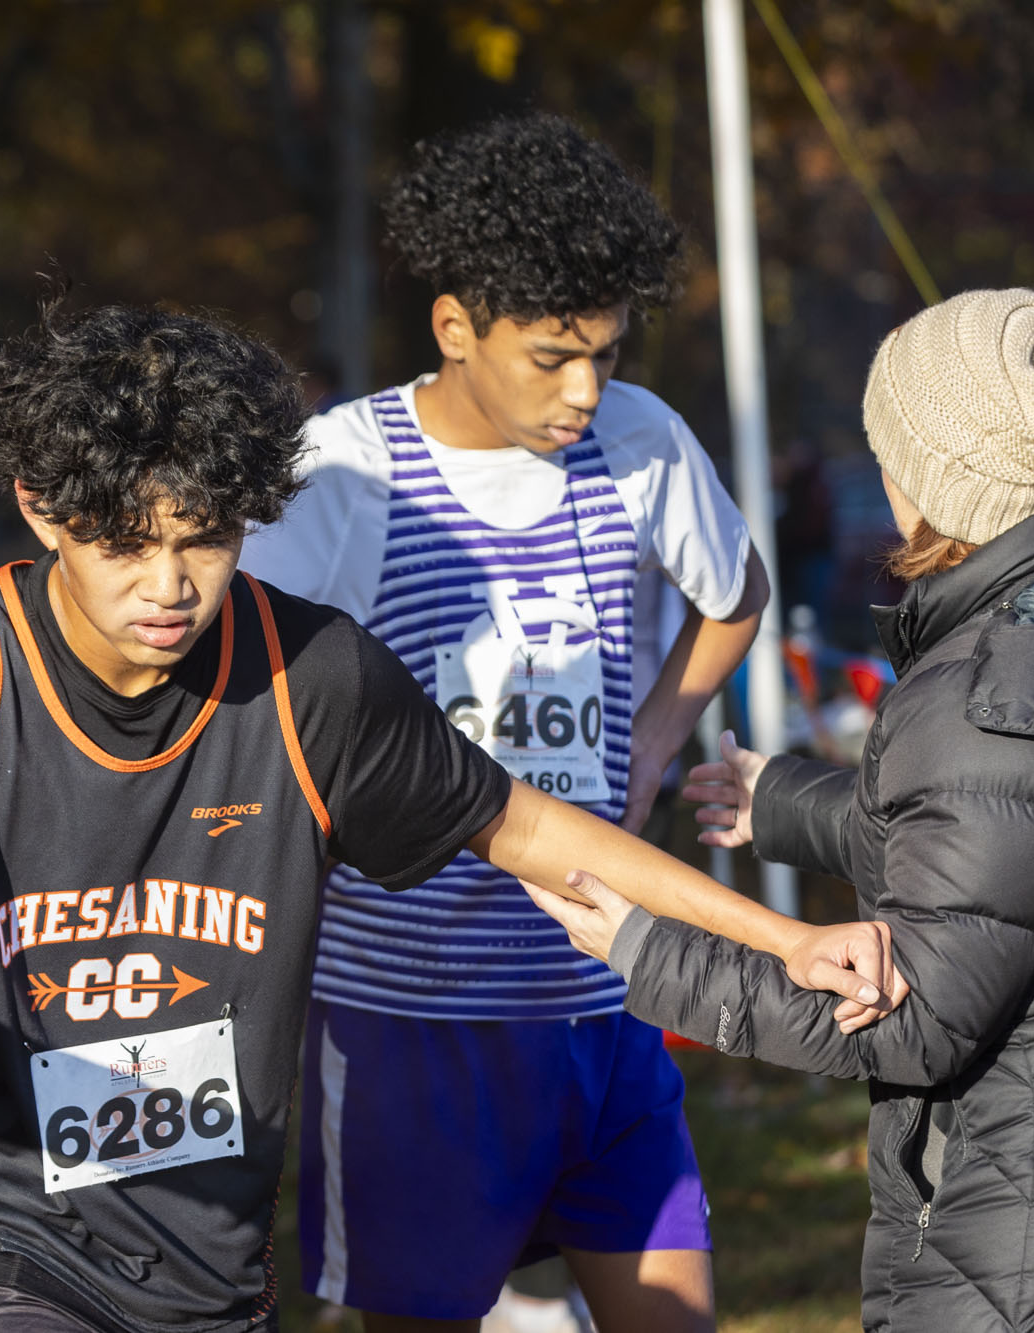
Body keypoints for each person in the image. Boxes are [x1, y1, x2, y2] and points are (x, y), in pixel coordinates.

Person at [0, 300, 898, 1333]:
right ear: (42, 509)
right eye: (127, 544)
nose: (169, 586)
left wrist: (785, 938)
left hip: (213, 1263)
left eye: (205, 538)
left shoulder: (309, 673)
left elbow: (532, 831)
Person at [237, 113, 760, 1332]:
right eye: (551, 357)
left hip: (605, 992)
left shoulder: (640, 439)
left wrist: (653, 737)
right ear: (453, 328)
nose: (584, 391)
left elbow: (734, 596)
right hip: (408, 1015)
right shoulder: (343, 470)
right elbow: (247, 683)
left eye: (606, 355)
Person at [529, 288, 1034, 1333]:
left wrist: (652, 952)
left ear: (938, 476)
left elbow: (916, 1013)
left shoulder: (993, 687)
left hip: (1023, 1243)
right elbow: (1009, 845)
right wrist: (783, 803)